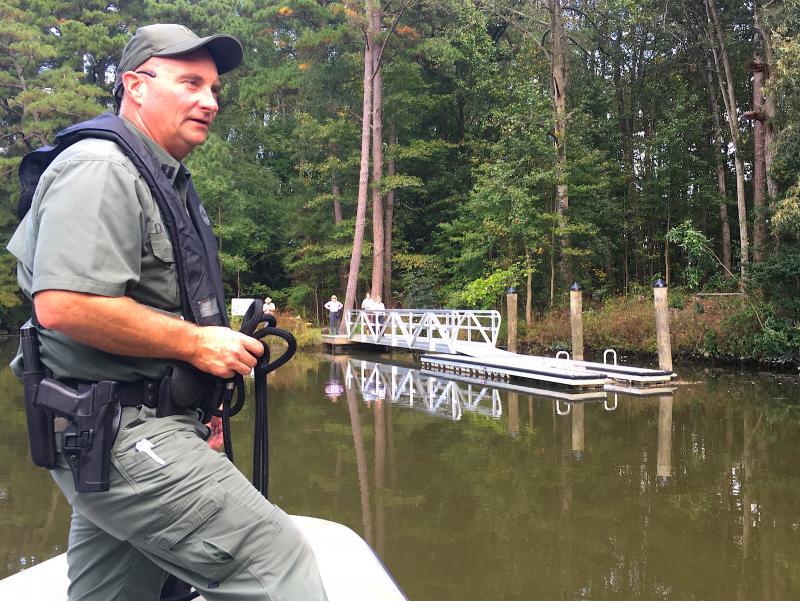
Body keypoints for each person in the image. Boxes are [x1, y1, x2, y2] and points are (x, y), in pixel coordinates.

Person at [7, 23, 327, 601]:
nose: (209, 101)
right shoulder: (102, 168)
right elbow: (65, 305)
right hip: (116, 432)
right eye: (190, 83)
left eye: (214, 89)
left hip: (134, 426)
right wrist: (197, 344)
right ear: (135, 84)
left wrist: (200, 410)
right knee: (277, 561)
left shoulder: (164, 177)